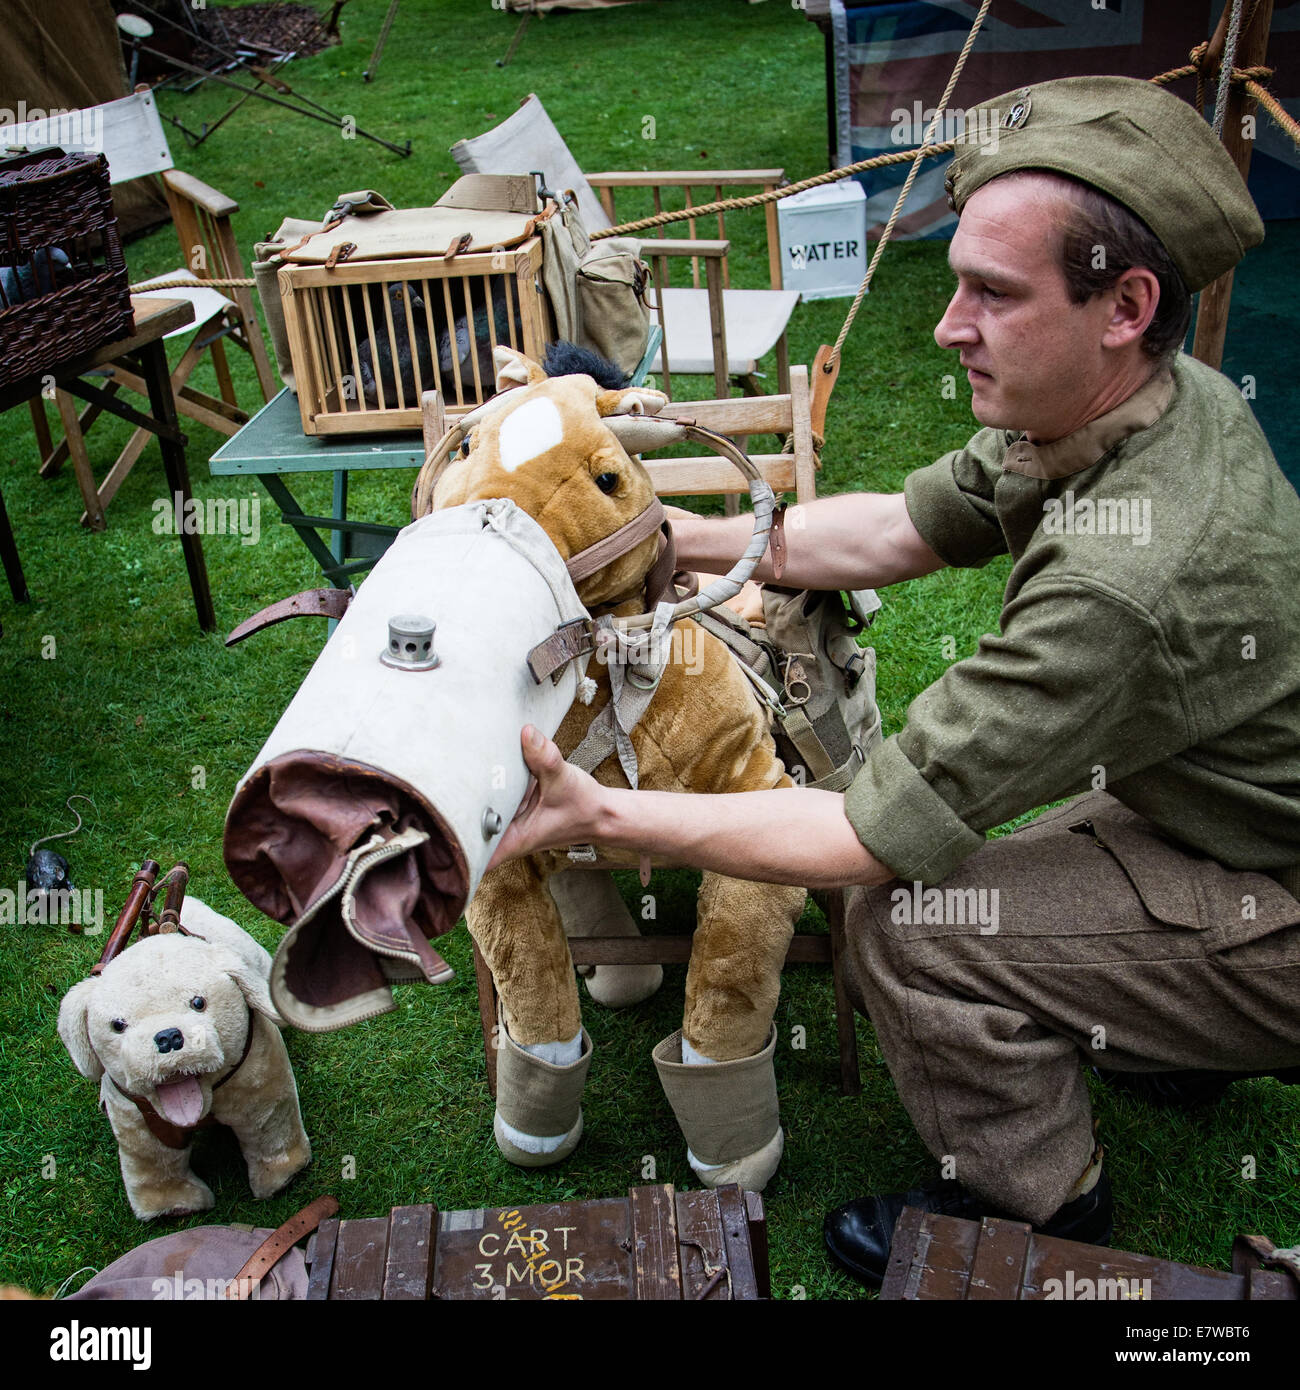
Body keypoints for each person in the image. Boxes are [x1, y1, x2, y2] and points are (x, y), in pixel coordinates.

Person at [487, 75, 1300, 1287]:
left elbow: (871, 833)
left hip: (1270, 887)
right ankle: (1158, 1025)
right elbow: (891, 535)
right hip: (1226, 810)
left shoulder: (1125, 576)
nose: (945, 324)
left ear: (1124, 305)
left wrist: (597, 814)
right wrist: (653, 543)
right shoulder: (1131, 403)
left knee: (910, 922)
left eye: (992, 294)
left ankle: (1038, 1206)